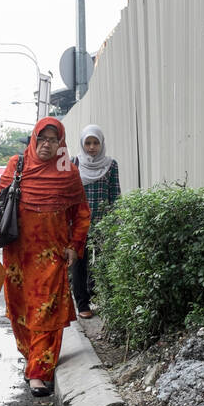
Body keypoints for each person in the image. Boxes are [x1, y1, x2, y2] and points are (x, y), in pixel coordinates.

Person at [0, 117, 91, 397]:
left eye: (53, 140)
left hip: (51, 255)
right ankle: (32, 356)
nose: (46, 145)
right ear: (33, 139)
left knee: (46, 311)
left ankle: (38, 373)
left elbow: (81, 213)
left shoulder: (68, 172)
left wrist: (74, 246)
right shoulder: (16, 165)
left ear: (61, 143)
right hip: (17, 254)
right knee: (20, 310)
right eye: (41, 139)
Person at [73, 124, 121, 319]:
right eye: (88, 143)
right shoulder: (74, 163)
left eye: (95, 143)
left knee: (102, 263)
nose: (92, 147)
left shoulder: (111, 165)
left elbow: (114, 194)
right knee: (79, 264)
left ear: (101, 144)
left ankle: (103, 299)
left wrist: (115, 221)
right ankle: (82, 304)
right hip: (78, 225)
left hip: (103, 222)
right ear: (82, 144)